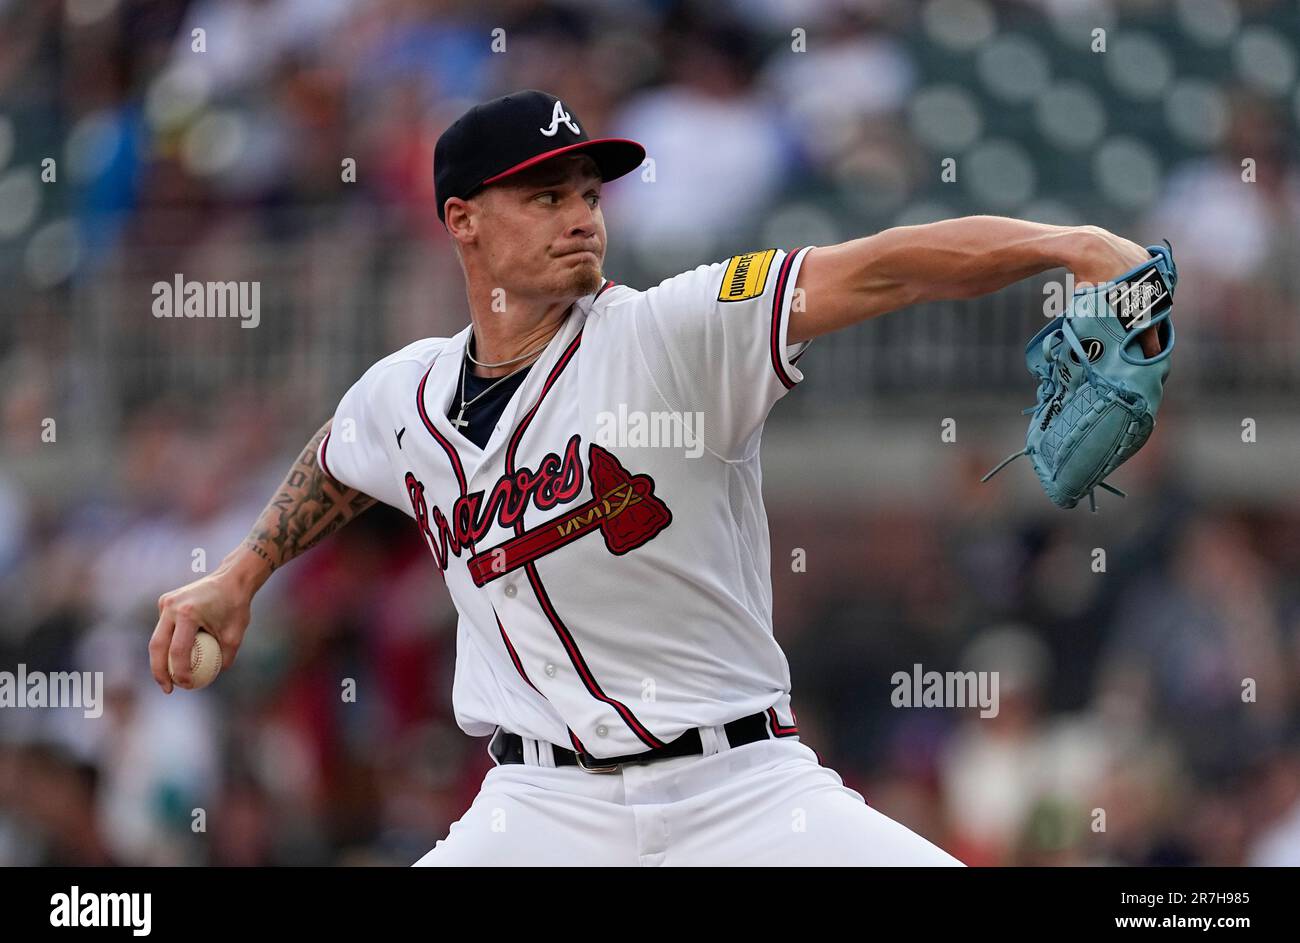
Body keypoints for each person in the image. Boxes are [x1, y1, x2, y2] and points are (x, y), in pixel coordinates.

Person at [150, 89, 1156, 865]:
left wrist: (1063, 245)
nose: (580, 215)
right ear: (461, 220)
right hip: (540, 810)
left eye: (588, 192)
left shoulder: (675, 330)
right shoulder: (404, 393)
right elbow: (339, 453)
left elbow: (880, 265)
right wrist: (239, 572)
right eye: (543, 195)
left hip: (743, 792)